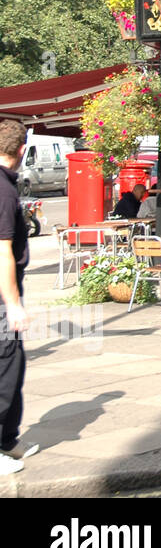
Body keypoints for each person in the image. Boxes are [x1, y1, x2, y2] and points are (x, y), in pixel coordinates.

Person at [0, 120, 36, 473]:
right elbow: (2, 251)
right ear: (21, 150)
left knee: (16, 363)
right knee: (5, 366)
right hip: (2, 295)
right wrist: (12, 304)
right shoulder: (4, 190)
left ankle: (8, 440)